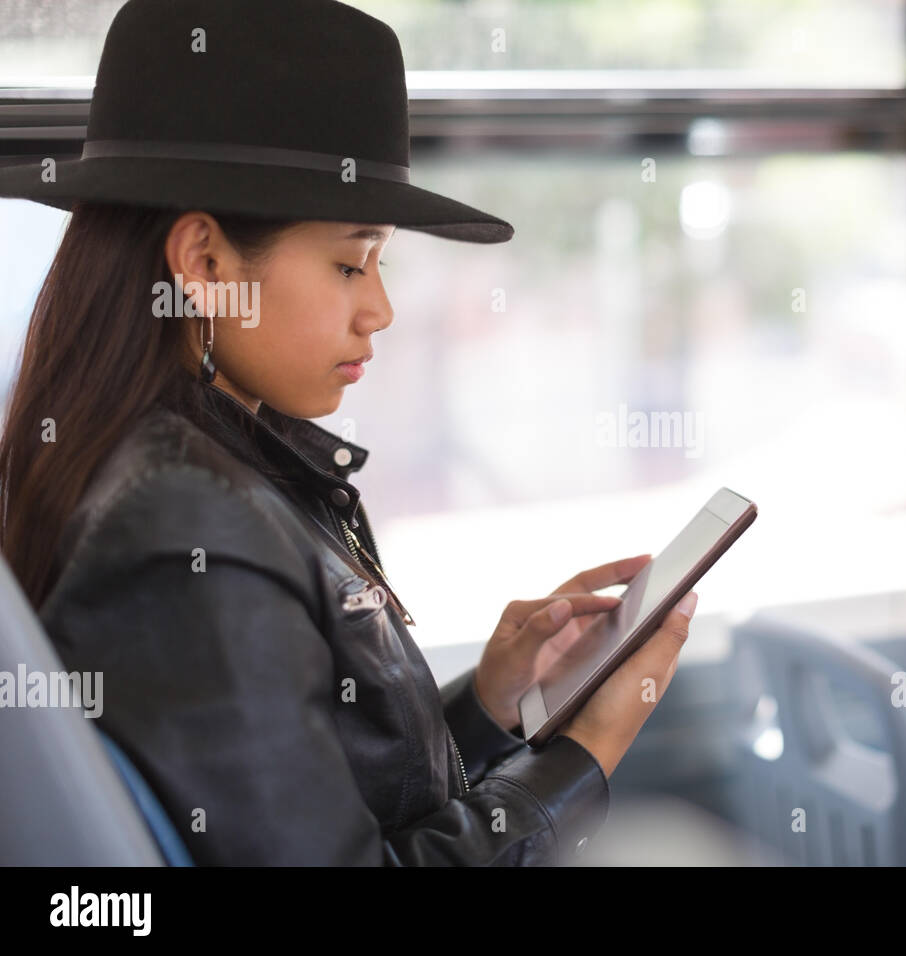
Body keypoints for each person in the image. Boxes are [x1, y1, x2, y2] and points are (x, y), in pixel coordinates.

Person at [0, 0, 697, 865]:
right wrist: (587, 758)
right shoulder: (184, 525)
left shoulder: (215, 464)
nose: (381, 309)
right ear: (206, 266)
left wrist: (489, 701)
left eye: (380, 263)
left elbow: (318, 786)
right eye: (347, 264)